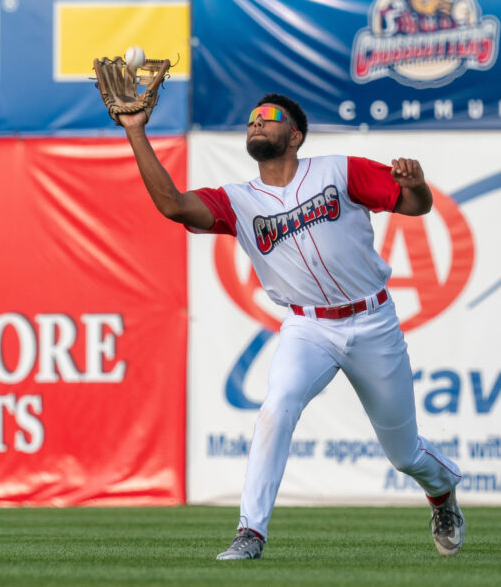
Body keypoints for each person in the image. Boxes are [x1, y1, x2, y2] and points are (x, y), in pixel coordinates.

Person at [116, 92, 464, 560]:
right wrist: (135, 130)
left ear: (295, 135)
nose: (257, 123)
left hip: (372, 320)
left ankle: (442, 494)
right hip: (307, 329)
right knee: (276, 407)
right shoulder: (238, 201)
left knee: (404, 455)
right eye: (252, 119)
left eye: (269, 118)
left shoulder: (340, 171)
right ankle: (250, 532)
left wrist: (418, 185)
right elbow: (174, 206)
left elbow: (415, 206)